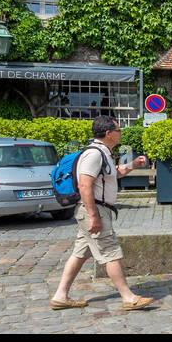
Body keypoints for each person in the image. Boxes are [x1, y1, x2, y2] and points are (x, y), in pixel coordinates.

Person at [51, 116, 155, 311]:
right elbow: (84, 184)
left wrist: (133, 165)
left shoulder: (105, 153)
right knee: (111, 252)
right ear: (108, 133)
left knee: (80, 253)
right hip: (94, 209)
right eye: (118, 130)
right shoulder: (94, 154)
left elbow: (113, 174)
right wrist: (93, 216)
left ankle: (60, 296)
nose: (120, 133)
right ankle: (128, 297)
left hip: (98, 209)